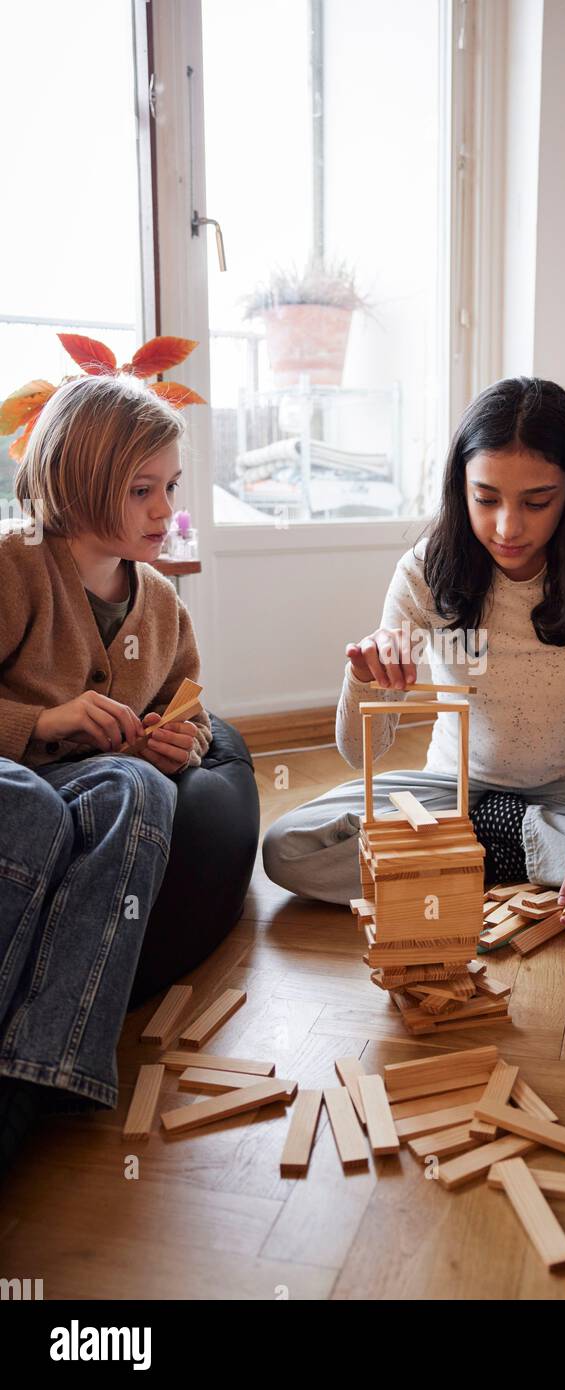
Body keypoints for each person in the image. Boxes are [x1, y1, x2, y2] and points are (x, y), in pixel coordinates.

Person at [263, 376, 565, 927]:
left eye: (537, 501)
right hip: (450, 792)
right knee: (289, 848)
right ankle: (526, 852)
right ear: (461, 488)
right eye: (486, 498)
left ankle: (469, 860)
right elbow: (365, 755)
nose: (507, 527)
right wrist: (364, 678)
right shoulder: (424, 571)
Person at [0, 372, 211, 1174]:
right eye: (141, 490)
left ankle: (42, 1069)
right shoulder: (14, 566)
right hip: (12, 780)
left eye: (171, 487)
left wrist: (172, 746)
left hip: (88, 785)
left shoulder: (161, 604)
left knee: (144, 789)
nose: (165, 510)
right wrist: (42, 723)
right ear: (81, 485)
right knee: (34, 808)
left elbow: (190, 715)